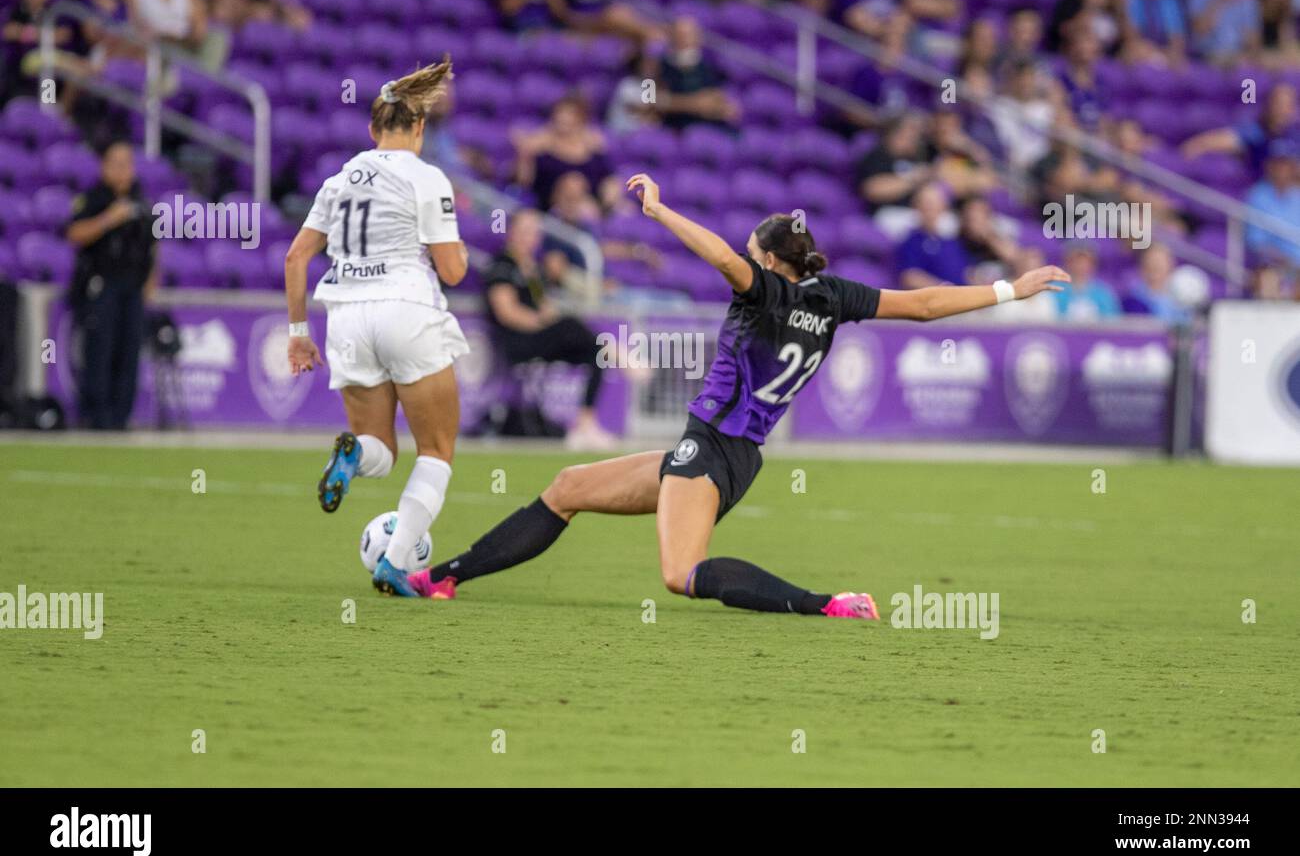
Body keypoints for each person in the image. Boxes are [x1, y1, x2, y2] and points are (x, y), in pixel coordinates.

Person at [382, 173, 1071, 615]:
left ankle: (824, 603)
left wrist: (659, 210)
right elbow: (923, 305)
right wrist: (1011, 288)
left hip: (709, 449)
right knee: (567, 486)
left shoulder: (765, 291)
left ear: (769, 261)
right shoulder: (833, 297)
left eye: (751, 249)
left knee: (680, 574)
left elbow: (717, 257)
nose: (742, 255)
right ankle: (439, 578)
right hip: (730, 453)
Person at [283, 59, 471, 597]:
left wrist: (299, 333)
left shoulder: (338, 179)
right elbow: (453, 271)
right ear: (419, 128)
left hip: (346, 315)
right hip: (406, 308)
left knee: (379, 449)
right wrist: (461, 251)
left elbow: (297, 257)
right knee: (435, 451)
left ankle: (352, 457)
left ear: (373, 129)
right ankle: (394, 563)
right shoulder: (428, 177)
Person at [483, 208, 614, 449]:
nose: (529, 237)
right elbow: (507, 312)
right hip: (519, 341)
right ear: (511, 233)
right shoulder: (502, 266)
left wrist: (551, 316)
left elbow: (545, 307)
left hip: (541, 339)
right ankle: (618, 351)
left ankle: (585, 423)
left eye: (533, 232)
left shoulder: (535, 269)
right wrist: (546, 323)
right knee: (569, 325)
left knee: (598, 353)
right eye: (524, 231)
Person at [65, 142, 157, 430]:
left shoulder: (142, 203)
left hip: (133, 289)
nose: (122, 170)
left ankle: (121, 418)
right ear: (104, 167)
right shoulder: (91, 200)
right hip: (101, 286)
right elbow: (74, 235)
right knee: (99, 350)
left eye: (127, 164)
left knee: (129, 352)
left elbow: (154, 247)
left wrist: (150, 285)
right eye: (116, 164)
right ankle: (96, 417)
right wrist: (108, 219)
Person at [658, 15, 740, 130]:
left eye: (689, 35)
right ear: (671, 37)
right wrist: (692, 104)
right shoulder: (655, 64)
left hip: (709, 127)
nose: (684, 39)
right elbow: (648, 100)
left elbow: (720, 95)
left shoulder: (710, 67)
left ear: (698, 38)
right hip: (674, 128)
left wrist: (724, 106)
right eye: (680, 35)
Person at [1244, 137, 1300, 266]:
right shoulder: (1257, 196)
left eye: (1286, 164)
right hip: (1276, 266)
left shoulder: (1297, 195)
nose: (1282, 170)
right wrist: (1285, 262)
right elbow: (1256, 242)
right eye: (1278, 164)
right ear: (1269, 166)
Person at [1052, 241, 1120, 321]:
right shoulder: (1054, 289)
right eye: (1077, 261)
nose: (1081, 266)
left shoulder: (1104, 293)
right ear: (1067, 262)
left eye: (1085, 261)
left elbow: (1113, 322)